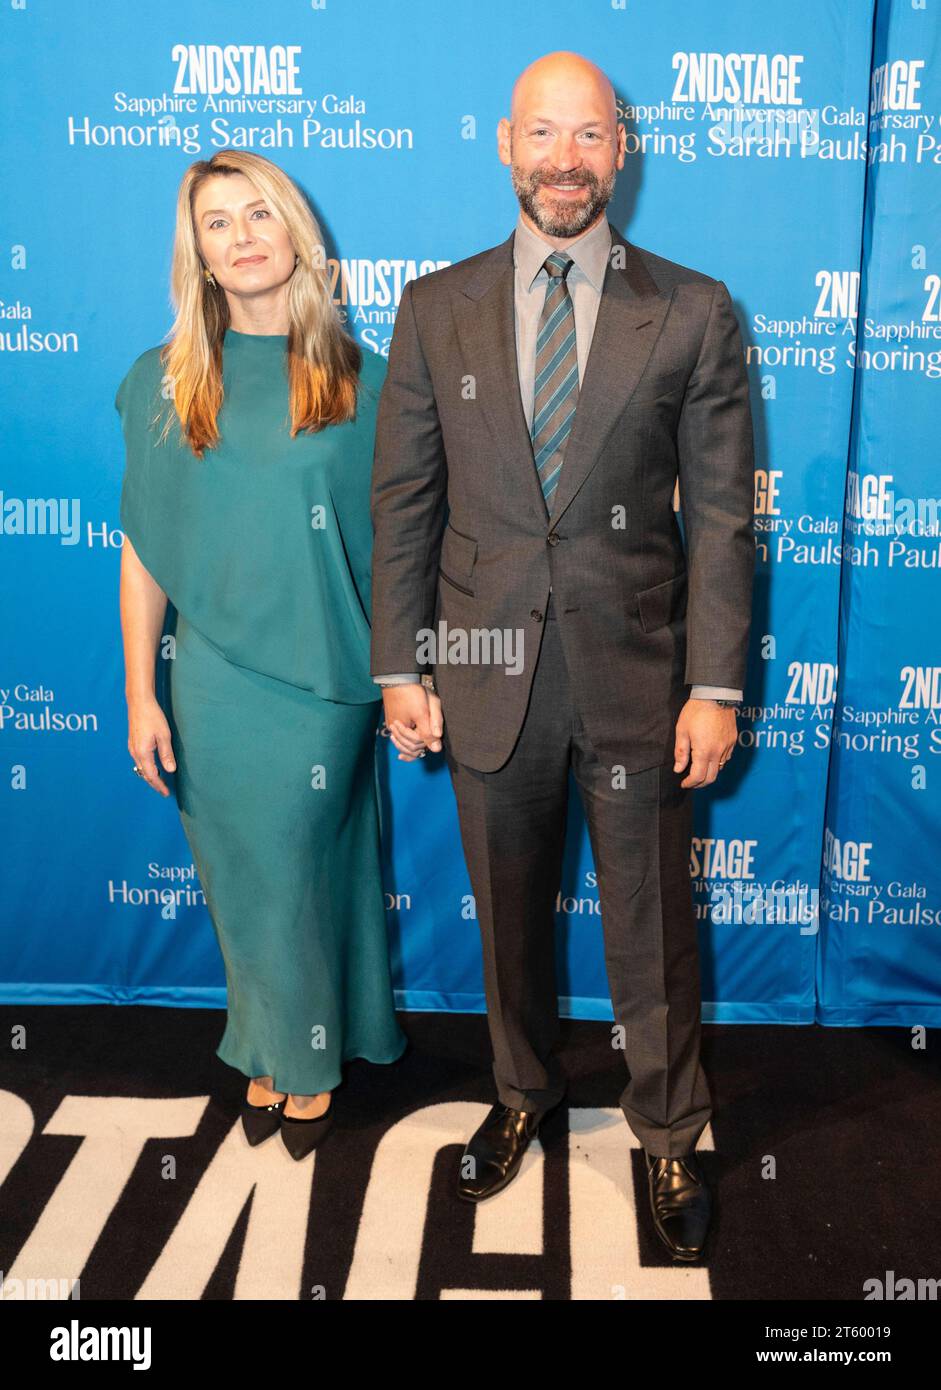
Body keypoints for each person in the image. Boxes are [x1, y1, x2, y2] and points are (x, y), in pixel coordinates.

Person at [370, 52, 754, 1259]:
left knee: (649, 931)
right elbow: (402, 506)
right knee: (507, 929)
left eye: (587, 137)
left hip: (639, 683)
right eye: (543, 135)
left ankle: (666, 1136)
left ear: (619, 152)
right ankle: (521, 1094)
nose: (564, 162)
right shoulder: (435, 308)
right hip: (482, 674)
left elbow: (723, 520)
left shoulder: (692, 310)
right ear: (504, 144)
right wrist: (399, 667)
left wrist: (711, 683)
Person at [116, 149, 406, 1162]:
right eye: (215, 224)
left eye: (256, 214)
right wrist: (138, 691)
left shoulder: (367, 383)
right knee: (242, 872)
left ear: (295, 230)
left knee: (291, 858)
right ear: (194, 253)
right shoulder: (162, 383)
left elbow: (407, 542)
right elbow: (145, 551)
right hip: (210, 677)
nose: (240, 238)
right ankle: (289, 1031)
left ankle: (299, 1054)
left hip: (325, 674)